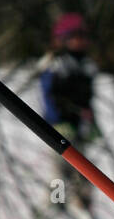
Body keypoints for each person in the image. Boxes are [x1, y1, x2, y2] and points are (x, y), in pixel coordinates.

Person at [38, 13, 99, 209]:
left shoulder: (85, 65)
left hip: (79, 124)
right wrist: (57, 122)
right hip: (60, 126)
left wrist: (91, 121)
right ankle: (57, 204)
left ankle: (83, 203)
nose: (82, 41)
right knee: (59, 169)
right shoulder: (56, 65)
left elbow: (87, 98)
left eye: (84, 36)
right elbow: (49, 96)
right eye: (76, 37)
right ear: (64, 40)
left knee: (83, 166)